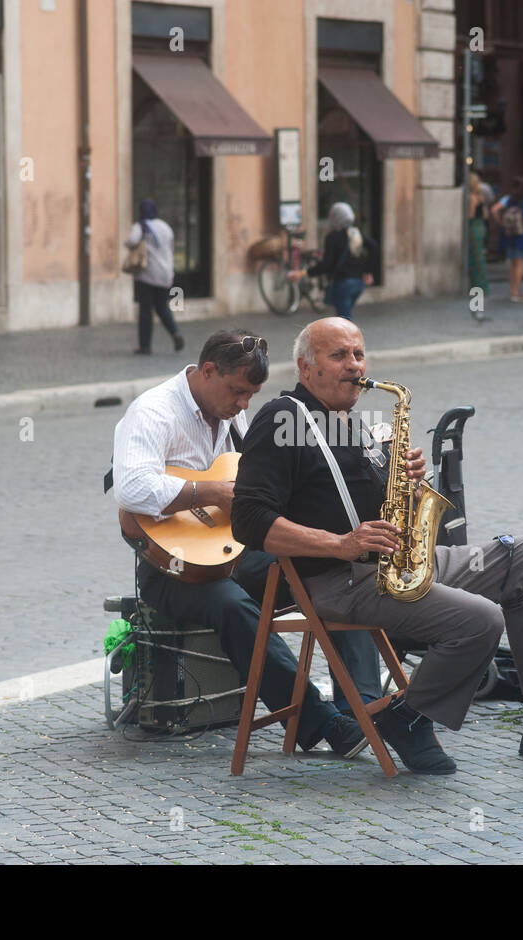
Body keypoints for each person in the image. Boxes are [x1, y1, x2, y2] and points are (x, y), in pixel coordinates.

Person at [231, 317, 523, 774]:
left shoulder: (350, 423)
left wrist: (410, 484)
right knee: (481, 620)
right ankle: (409, 717)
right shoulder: (281, 418)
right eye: (339, 356)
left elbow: (387, 507)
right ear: (305, 367)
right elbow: (249, 521)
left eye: (358, 354)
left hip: (396, 561)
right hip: (339, 578)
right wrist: (340, 543)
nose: (354, 366)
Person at [110, 330, 385, 758]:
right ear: (207, 371)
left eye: (251, 395)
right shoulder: (153, 412)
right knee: (234, 607)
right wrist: (211, 493)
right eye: (237, 391)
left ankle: (366, 708)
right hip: (174, 568)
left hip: (234, 551)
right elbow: (131, 489)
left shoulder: (236, 416)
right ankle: (321, 722)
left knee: (329, 570)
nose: (243, 405)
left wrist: (371, 452)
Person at [294, 202, 377, 321]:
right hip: (359, 283)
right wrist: (368, 271)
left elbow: (327, 265)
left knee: (344, 321)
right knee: (345, 316)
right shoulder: (356, 233)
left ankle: (349, 339)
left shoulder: (332, 237)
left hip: (343, 283)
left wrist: (303, 273)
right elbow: (374, 247)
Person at [126, 198, 184, 355]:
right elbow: (171, 248)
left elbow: (131, 241)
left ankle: (144, 346)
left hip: (147, 275)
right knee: (162, 307)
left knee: (145, 311)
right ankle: (175, 332)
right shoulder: (165, 227)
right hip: (165, 274)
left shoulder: (141, 226)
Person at [493, 177, 523, 301]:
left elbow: (494, 209)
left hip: (510, 234)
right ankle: (516, 292)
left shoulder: (508, 199)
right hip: (522, 234)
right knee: (519, 264)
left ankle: (512, 290)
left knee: (512, 264)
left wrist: (501, 223)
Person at [467, 171, 489, 296]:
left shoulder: (472, 197)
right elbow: (486, 214)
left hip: (474, 226)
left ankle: (477, 285)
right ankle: (482, 286)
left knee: (475, 258)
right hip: (481, 226)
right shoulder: (481, 196)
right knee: (479, 256)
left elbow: (470, 214)